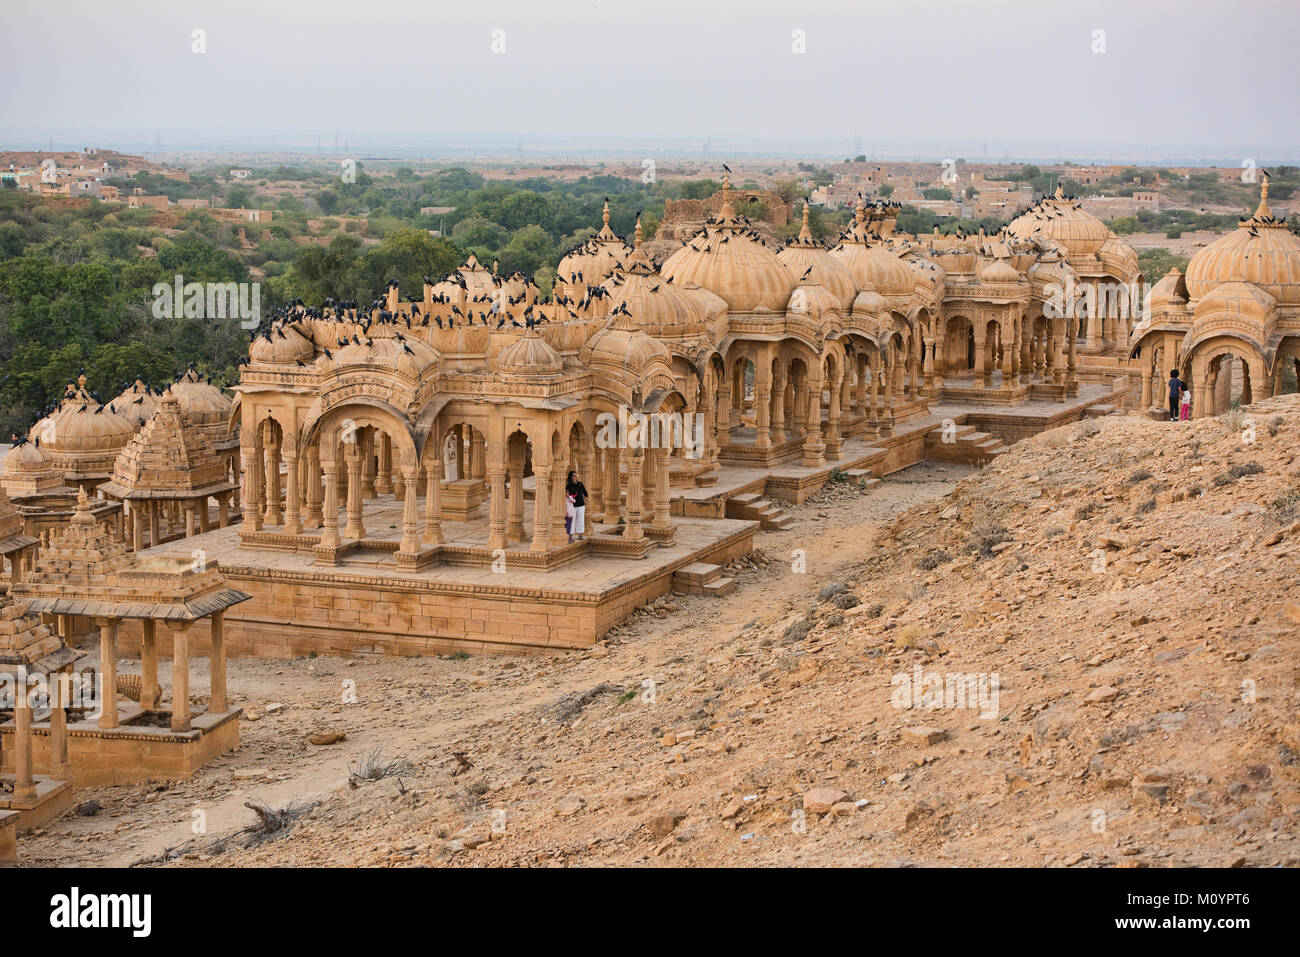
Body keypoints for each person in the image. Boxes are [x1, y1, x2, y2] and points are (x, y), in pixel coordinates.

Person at [565, 469, 588, 543]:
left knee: (581, 519)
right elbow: (569, 494)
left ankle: (580, 534)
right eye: (574, 476)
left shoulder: (580, 484)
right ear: (571, 477)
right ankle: (570, 536)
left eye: (576, 475)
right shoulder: (569, 485)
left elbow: (584, 492)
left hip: (581, 505)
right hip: (573, 506)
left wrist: (586, 497)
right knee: (572, 521)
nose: (576, 477)